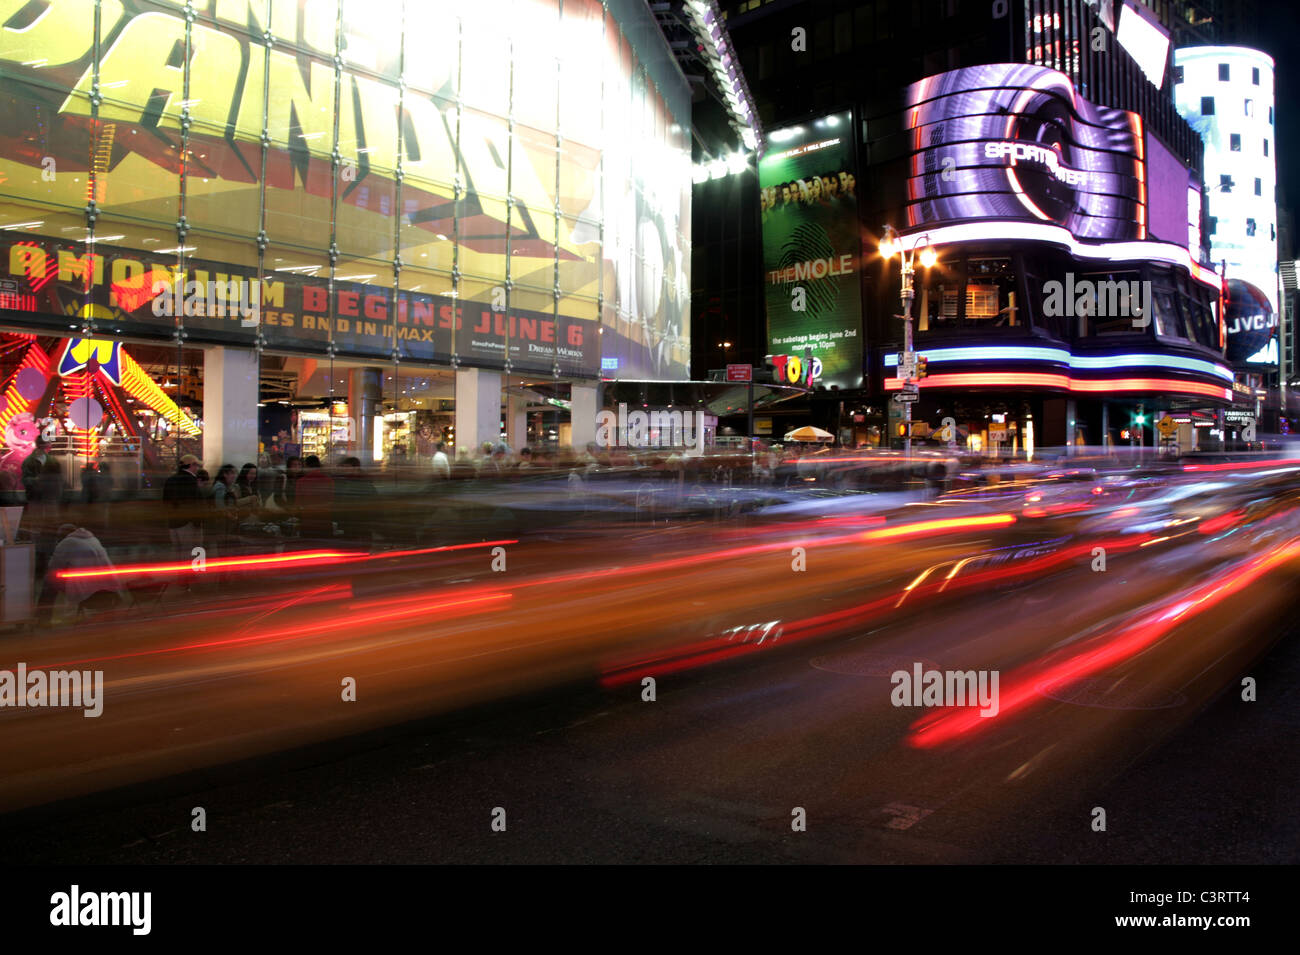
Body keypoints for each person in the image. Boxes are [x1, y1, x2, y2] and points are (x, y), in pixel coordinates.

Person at [40, 523, 129, 624]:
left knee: (49, 582)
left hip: (88, 594)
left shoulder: (66, 543)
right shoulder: (93, 539)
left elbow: (53, 567)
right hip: (110, 592)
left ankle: (43, 620)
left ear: (61, 536)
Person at [162, 454, 203, 560]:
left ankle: (180, 576)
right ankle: (191, 576)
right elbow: (195, 504)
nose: (198, 468)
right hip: (188, 523)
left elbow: (165, 502)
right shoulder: (191, 481)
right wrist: (198, 522)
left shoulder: (170, 480)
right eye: (197, 465)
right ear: (192, 465)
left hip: (173, 523)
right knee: (191, 553)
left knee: (178, 552)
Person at [295, 454, 335, 539]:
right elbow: (331, 500)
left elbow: (298, 502)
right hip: (325, 519)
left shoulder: (301, 481)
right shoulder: (329, 481)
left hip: (307, 519)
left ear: (306, 466)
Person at [21, 435, 49, 499]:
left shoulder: (50, 459)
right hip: (35, 496)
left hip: (46, 497)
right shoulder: (29, 461)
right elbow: (25, 480)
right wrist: (36, 480)